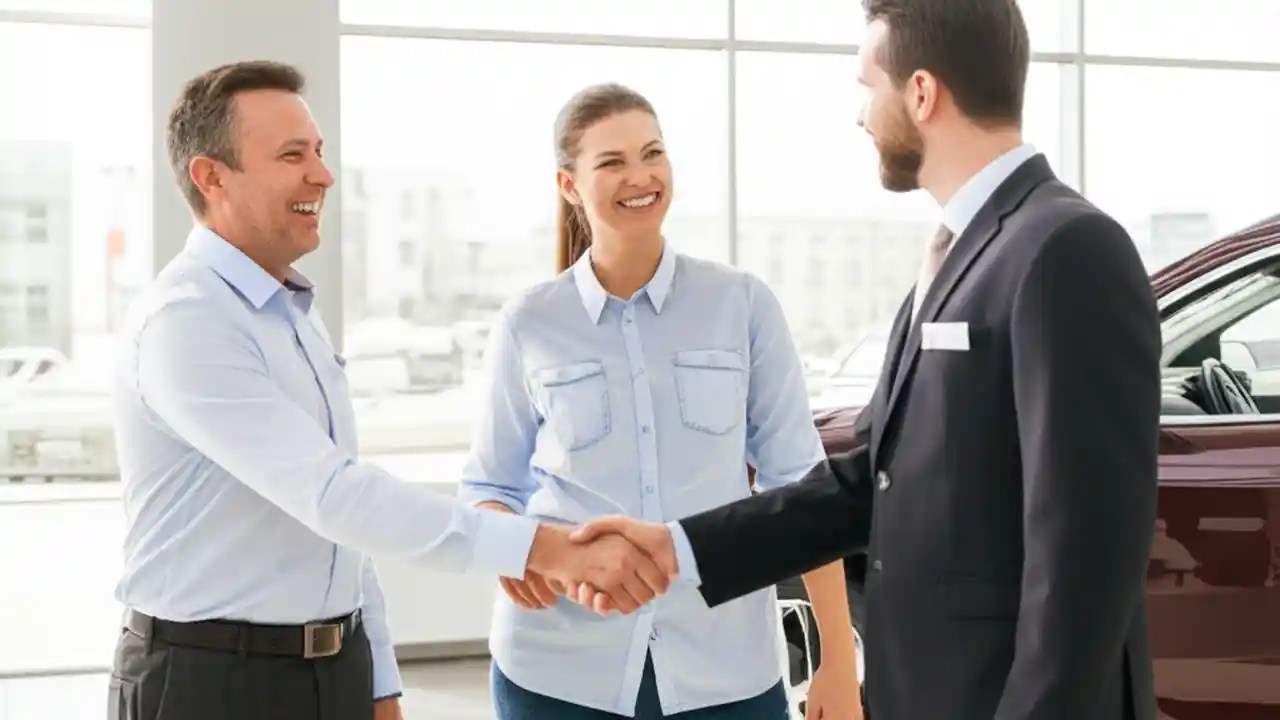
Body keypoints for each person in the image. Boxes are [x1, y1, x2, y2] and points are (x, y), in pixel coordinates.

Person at [571, 1, 1163, 718]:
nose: (861, 115)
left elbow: (1086, 561)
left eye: (867, 86)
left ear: (922, 93)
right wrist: (677, 548)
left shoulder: (1066, 250)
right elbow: (875, 481)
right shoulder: (960, 254)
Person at [108, 61, 669, 720]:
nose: (323, 175)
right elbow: (332, 495)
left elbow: (342, 525)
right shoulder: (187, 319)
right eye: (292, 155)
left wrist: (376, 677)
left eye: (318, 152)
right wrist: (544, 549)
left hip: (330, 669)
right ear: (211, 177)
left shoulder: (290, 313)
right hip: (211, 683)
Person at [457, 83, 863, 719]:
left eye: (653, 153)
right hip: (558, 671)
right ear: (569, 186)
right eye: (612, 162)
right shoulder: (529, 321)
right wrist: (512, 547)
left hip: (726, 670)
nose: (640, 177)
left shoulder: (742, 304)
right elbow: (489, 485)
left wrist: (836, 657)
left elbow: (803, 487)